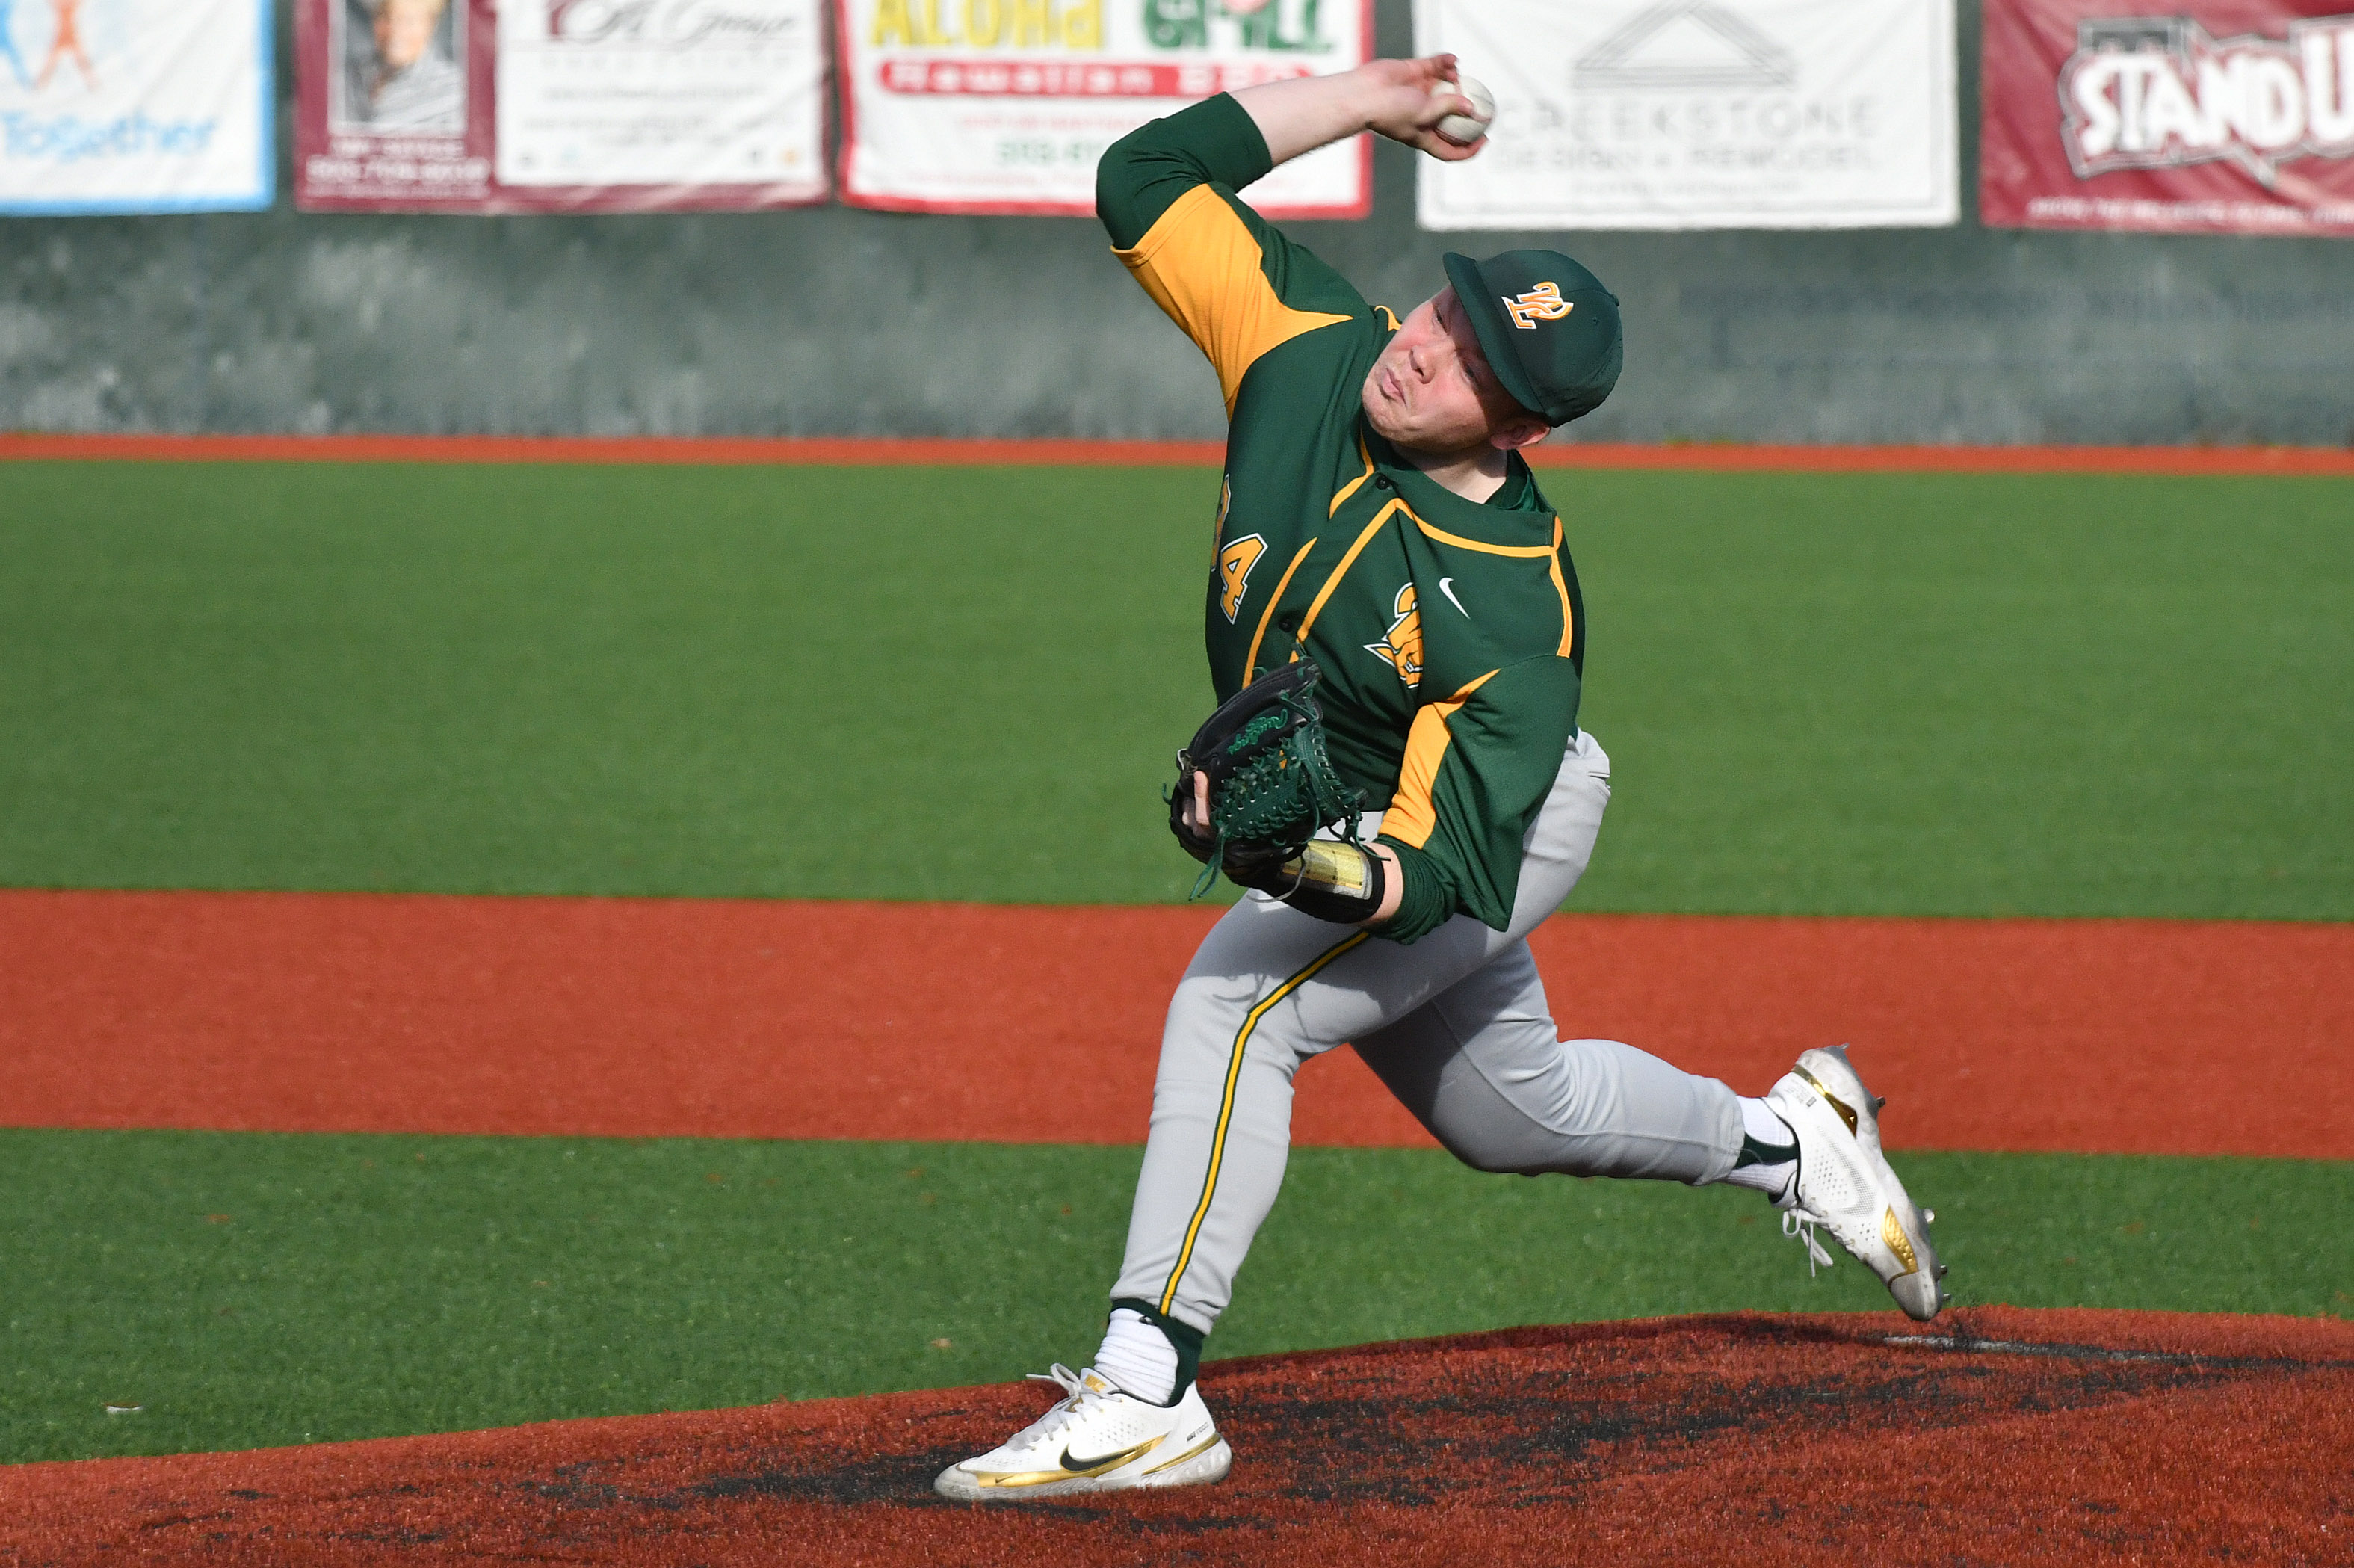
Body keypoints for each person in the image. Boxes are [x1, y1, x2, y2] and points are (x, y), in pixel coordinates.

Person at [935, 55, 1946, 1503]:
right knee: (1508, 1112)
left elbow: (1436, 870)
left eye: (1472, 360)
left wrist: (1286, 863)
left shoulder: (1514, 606)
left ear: (1521, 428)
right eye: (1441, 308)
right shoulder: (1307, 346)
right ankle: (1798, 1138)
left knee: (1238, 1006)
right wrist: (1368, 99)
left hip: (1495, 823)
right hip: (1376, 823)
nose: (1422, 350)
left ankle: (1148, 1382)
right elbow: (1141, 182)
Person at [342, 0, 463, 134]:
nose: (394, 30)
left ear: (431, 23)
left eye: (408, 21)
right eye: (385, 17)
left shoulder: (455, 90)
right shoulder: (349, 75)